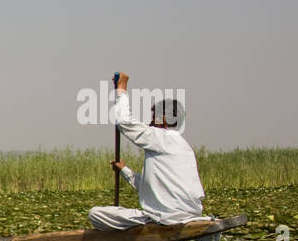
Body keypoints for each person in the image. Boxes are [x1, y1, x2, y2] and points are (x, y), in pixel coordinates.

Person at [88, 72, 210, 231]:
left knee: (96, 214)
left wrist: (121, 88)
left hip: (166, 217)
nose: (150, 122)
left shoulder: (161, 137)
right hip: (191, 214)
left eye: (154, 117)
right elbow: (150, 187)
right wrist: (124, 170)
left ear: (165, 119)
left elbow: (123, 122)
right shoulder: (185, 147)